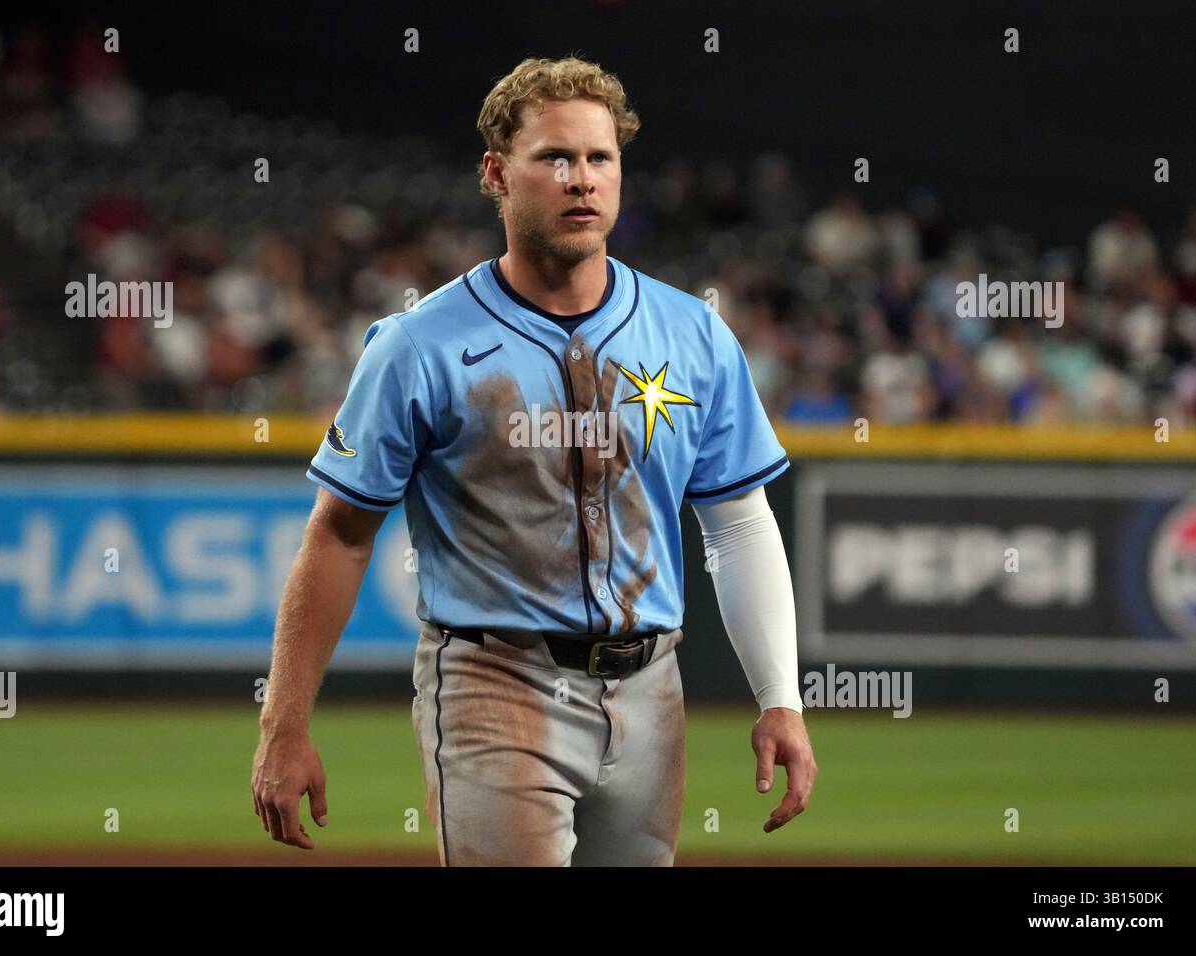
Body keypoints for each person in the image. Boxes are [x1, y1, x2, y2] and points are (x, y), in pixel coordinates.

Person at [251, 56, 816, 866]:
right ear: (496, 174)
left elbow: (736, 525)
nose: (581, 180)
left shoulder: (694, 334)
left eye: (600, 158)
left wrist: (781, 700)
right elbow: (338, 536)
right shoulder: (419, 345)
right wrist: (284, 725)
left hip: (653, 688)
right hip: (494, 684)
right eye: (555, 157)